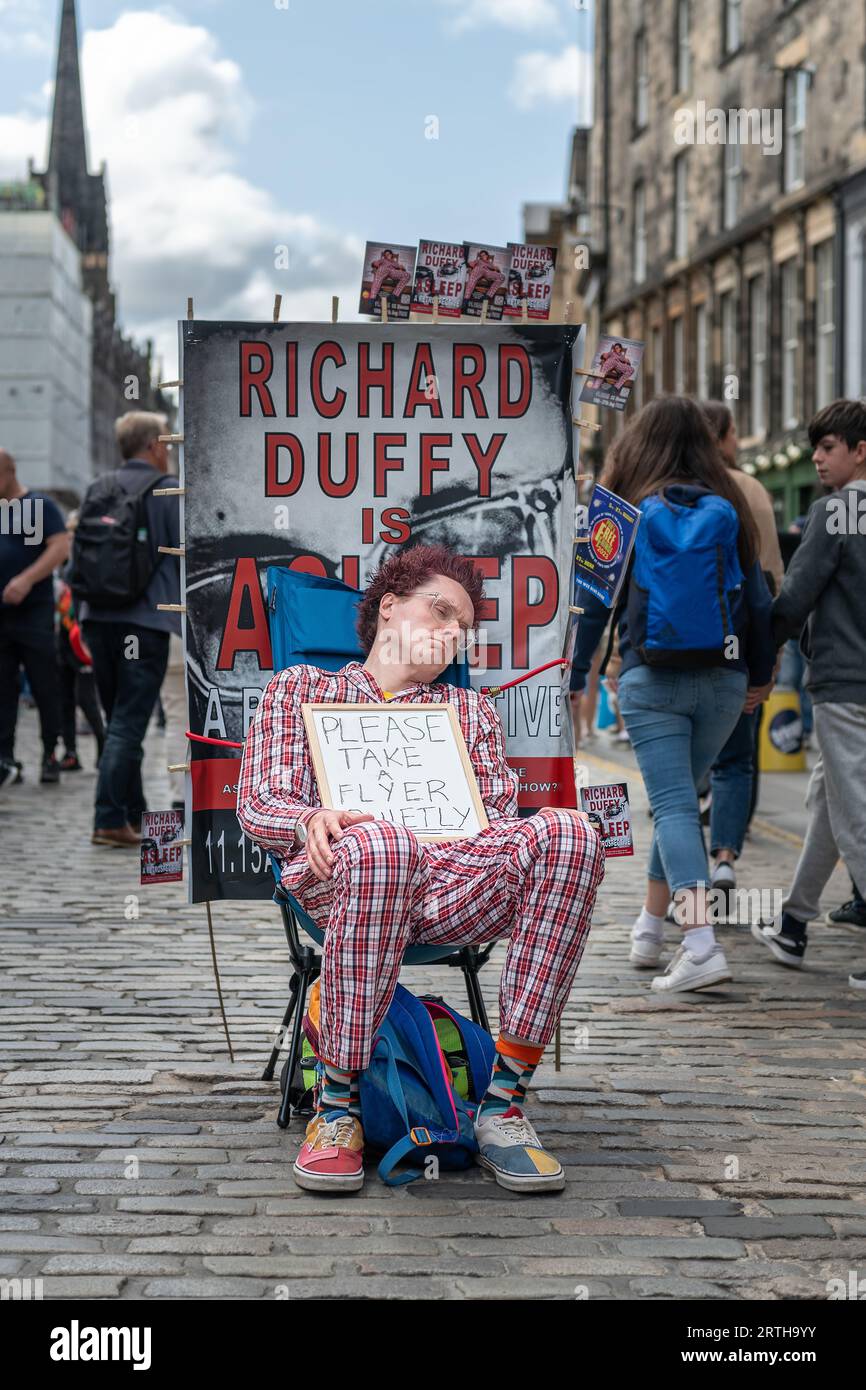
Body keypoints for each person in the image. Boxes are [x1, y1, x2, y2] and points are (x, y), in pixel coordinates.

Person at [237, 543, 605, 1194]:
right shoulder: (304, 689)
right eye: (440, 612)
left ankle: (503, 1106)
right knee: (386, 846)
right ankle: (338, 1106)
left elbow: (494, 819)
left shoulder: (468, 712)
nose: (452, 633)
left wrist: (509, 839)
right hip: (344, 873)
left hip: (453, 879)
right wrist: (306, 820)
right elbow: (259, 799)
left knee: (571, 833)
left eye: (462, 626)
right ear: (388, 607)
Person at [571, 396, 775, 993]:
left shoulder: (617, 509)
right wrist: (759, 674)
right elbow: (758, 599)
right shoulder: (731, 504)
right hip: (724, 680)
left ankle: (701, 942)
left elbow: (591, 603)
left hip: (651, 681)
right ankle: (649, 929)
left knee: (674, 807)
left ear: (638, 442)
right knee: (681, 798)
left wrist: (579, 671)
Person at [751, 400, 866, 990]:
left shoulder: (835, 513)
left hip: (845, 684)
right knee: (831, 802)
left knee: (856, 812)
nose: (818, 457)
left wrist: (763, 655)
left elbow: (794, 598)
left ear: (859, 451)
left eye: (827, 447)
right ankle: (794, 922)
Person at [78, 412, 181, 848]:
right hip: (145, 620)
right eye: (167, 444)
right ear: (154, 445)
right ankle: (107, 818)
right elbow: (188, 549)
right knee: (128, 722)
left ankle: (132, 815)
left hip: (96, 617)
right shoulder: (164, 491)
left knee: (119, 718)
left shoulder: (98, 488)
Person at [700, 401, 784, 909]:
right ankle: (724, 859)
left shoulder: (658, 491)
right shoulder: (747, 491)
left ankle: (670, 892)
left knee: (679, 782)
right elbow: (768, 585)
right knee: (733, 765)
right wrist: (766, 665)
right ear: (725, 437)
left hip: (666, 658)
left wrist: (617, 668)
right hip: (733, 657)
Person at [0, 448, 69, 788]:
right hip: (2, 618)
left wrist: (26, 579)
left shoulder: (40, 506)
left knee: (44, 686)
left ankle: (50, 754)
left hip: (34, 614)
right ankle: (5, 759)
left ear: (8, 472)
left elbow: (60, 547)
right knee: (3, 690)